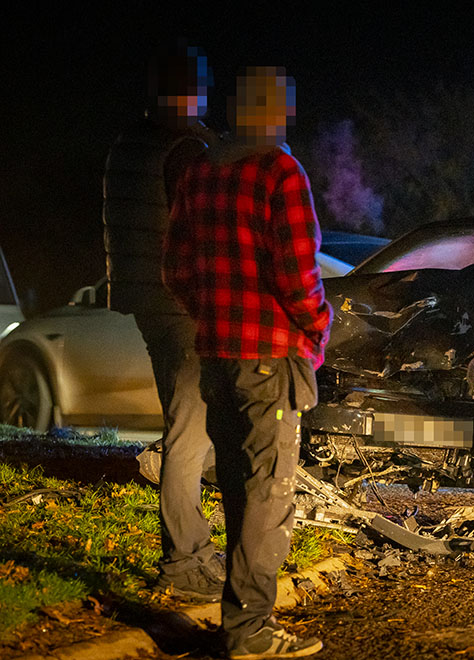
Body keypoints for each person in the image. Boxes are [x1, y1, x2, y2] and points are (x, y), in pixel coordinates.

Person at [164, 66, 329, 659]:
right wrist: (316, 327)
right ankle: (250, 631)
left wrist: (208, 313)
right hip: (271, 356)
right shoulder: (280, 172)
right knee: (269, 493)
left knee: (237, 485)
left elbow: (176, 268)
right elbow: (299, 273)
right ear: (277, 112)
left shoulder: (199, 171)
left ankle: (240, 619)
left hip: (217, 353)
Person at [103, 42, 224, 601]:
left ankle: (193, 540)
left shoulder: (130, 140)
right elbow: (202, 228)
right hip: (184, 305)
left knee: (187, 427)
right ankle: (185, 560)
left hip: (143, 299)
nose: (205, 98)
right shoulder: (185, 146)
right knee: (188, 433)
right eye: (199, 89)